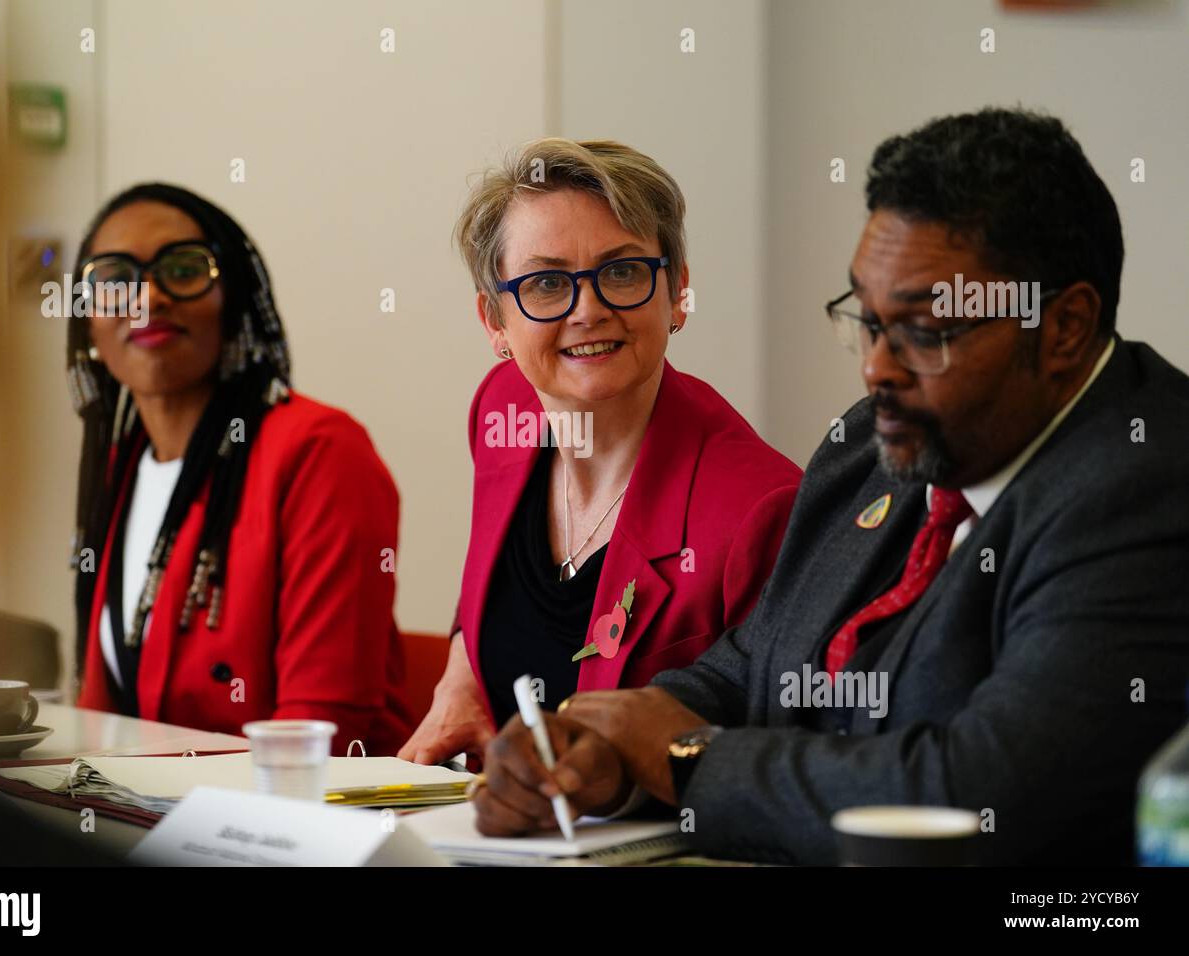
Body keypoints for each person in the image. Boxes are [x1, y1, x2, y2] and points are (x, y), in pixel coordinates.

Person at [471, 109, 1189, 865]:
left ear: (1065, 327)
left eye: (923, 330)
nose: (876, 367)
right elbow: (757, 662)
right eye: (868, 320)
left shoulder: (1145, 488)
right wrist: (605, 749)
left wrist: (685, 761)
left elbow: (982, 793)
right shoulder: (874, 442)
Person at [400, 140, 801, 765]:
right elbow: (492, 573)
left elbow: (777, 752)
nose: (589, 310)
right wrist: (462, 675)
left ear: (677, 294)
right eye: (546, 282)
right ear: (495, 322)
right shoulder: (503, 407)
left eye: (622, 272)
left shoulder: (760, 509)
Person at [70, 183, 413, 754]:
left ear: (232, 298)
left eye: (182, 269)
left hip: (310, 826)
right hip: (147, 819)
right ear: (87, 320)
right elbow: (102, 721)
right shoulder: (119, 468)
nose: (147, 297)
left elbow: (319, 731)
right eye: (114, 279)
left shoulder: (319, 450)